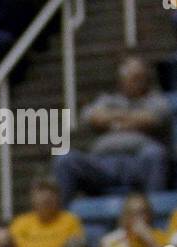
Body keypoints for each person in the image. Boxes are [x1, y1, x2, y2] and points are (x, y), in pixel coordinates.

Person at [55, 56, 171, 203]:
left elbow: (152, 118)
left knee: (155, 154)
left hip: (137, 162)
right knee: (65, 159)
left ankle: (155, 215)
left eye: (141, 76)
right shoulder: (107, 99)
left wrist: (113, 120)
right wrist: (130, 119)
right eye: (132, 77)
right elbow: (91, 116)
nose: (139, 81)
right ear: (121, 80)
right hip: (101, 164)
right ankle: (61, 221)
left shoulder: (156, 99)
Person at [9, 177, 84, 247]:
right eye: (41, 193)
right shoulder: (20, 223)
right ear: (32, 199)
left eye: (51, 193)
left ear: (58, 198)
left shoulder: (70, 221)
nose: (46, 197)